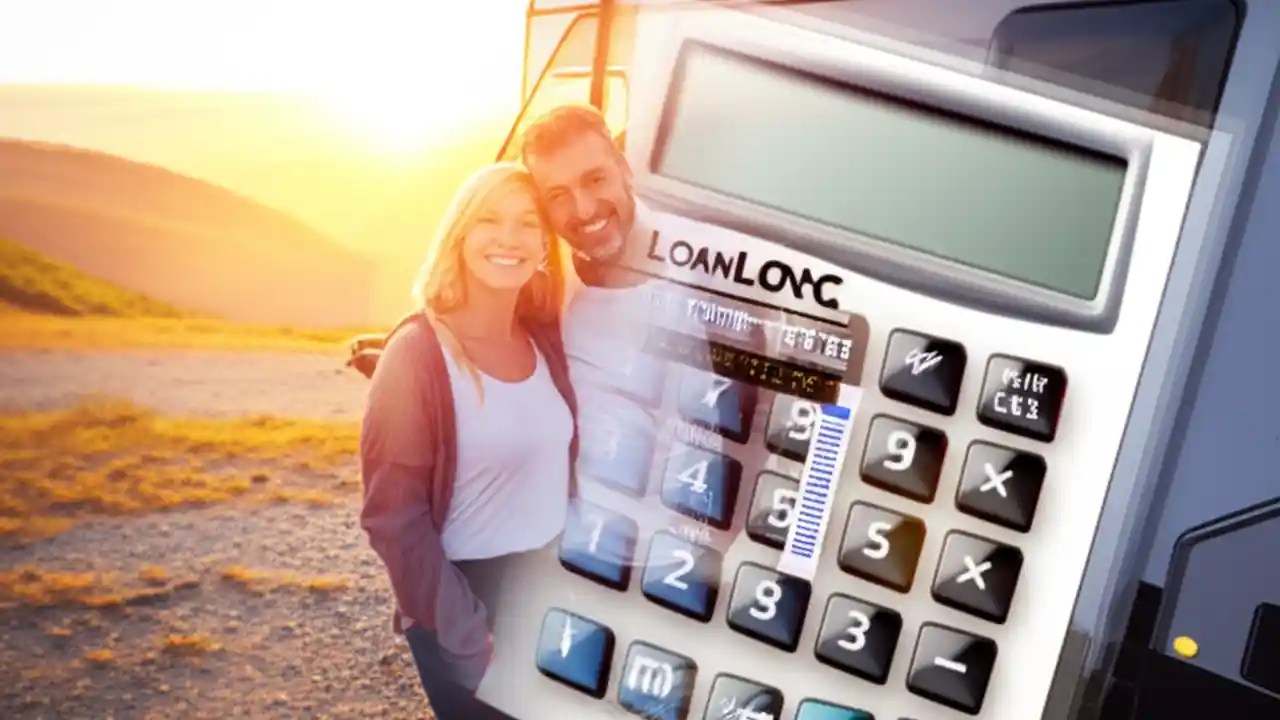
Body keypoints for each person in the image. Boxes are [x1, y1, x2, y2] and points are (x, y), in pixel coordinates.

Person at [358, 162, 577, 719]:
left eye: (528, 223)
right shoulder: (417, 353)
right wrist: (468, 634)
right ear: (459, 234)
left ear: (545, 244)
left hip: (549, 594)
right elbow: (393, 519)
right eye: (489, 219)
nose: (509, 237)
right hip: (465, 602)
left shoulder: (543, 338)